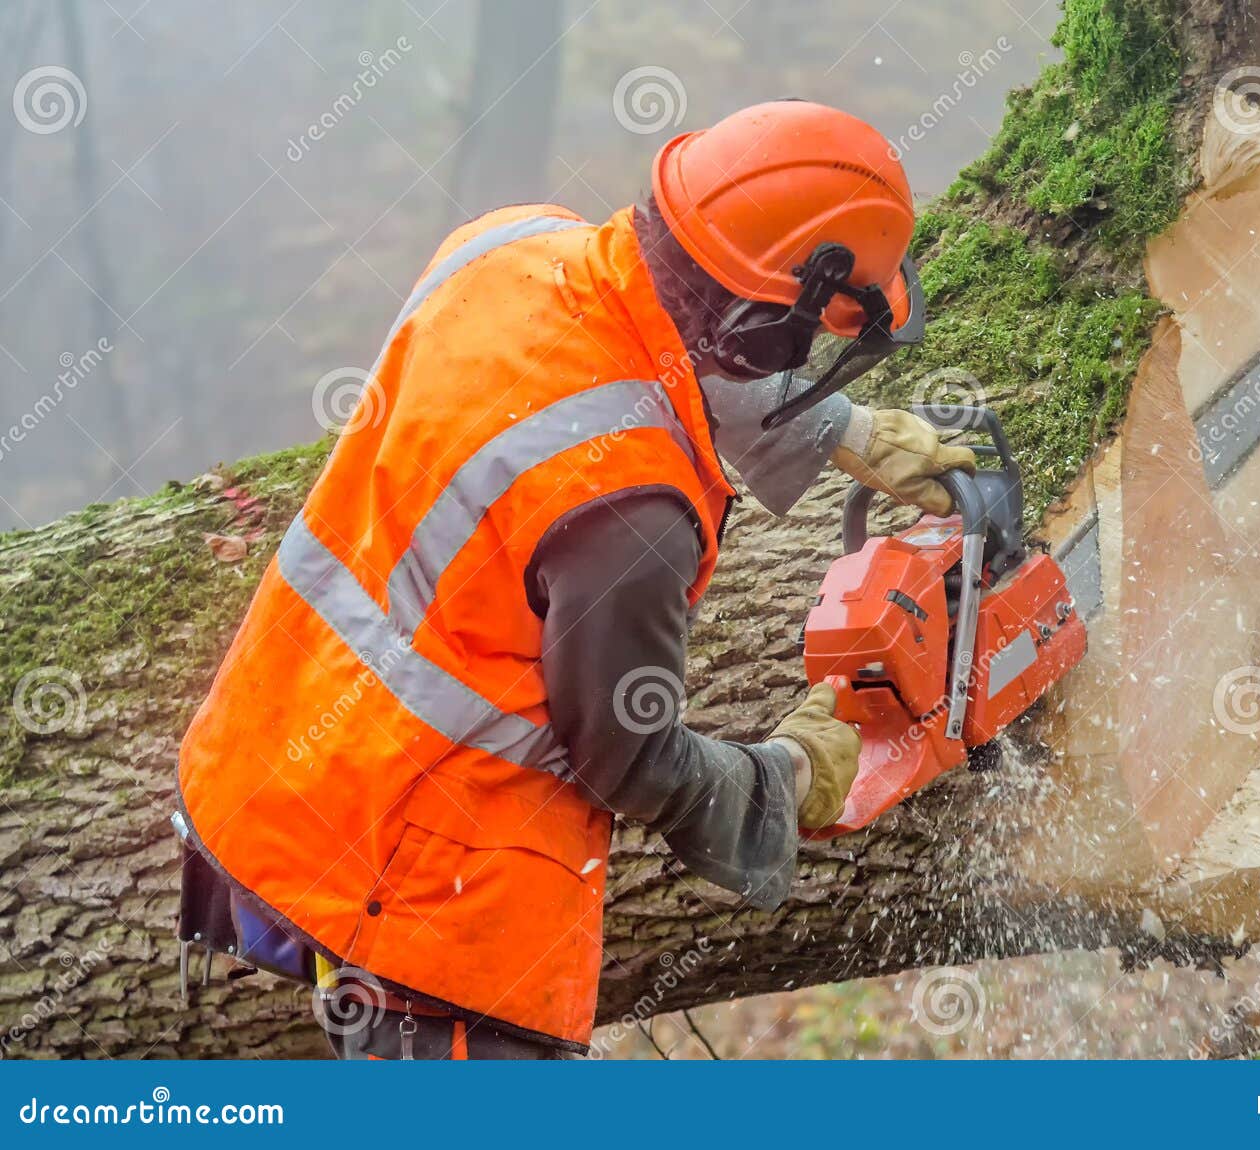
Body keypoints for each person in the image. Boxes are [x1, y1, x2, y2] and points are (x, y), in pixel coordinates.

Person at [174, 100, 974, 1060]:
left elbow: (643, 348)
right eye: (808, 339)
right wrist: (786, 777)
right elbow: (632, 759)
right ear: (765, 328)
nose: (805, 361)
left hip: (277, 770)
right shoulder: (629, 509)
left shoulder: (509, 247)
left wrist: (841, 430)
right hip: (425, 895)